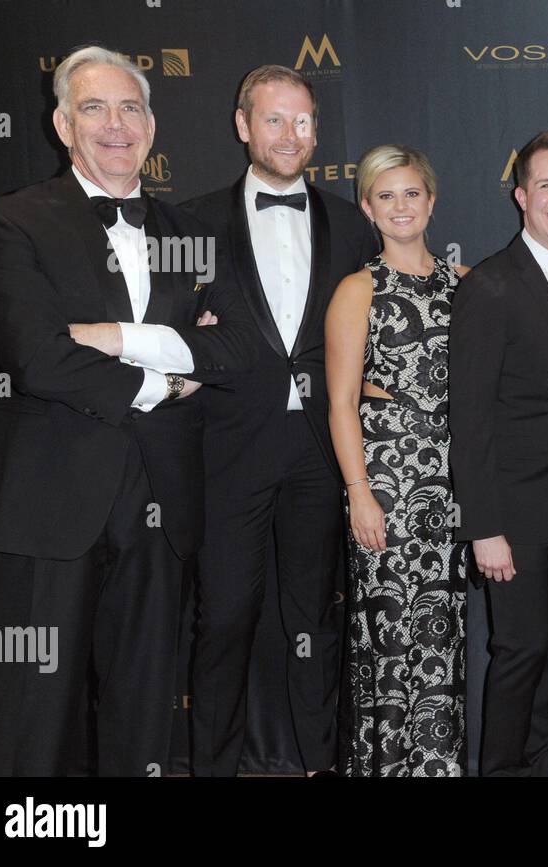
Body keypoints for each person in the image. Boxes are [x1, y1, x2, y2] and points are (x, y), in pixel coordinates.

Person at [0, 45, 253, 775]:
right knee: (33, 719)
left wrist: (126, 339)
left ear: (153, 125)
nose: (115, 124)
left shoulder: (189, 231)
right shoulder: (11, 223)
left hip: (160, 501)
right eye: (94, 107)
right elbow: (35, 357)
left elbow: (243, 348)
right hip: (51, 505)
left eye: (131, 107)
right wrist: (166, 374)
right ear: (63, 124)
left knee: (143, 709)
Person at [179, 65, 379, 776]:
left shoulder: (355, 224)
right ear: (242, 126)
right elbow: (162, 330)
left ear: (317, 132)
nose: (290, 135)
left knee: (315, 620)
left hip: (321, 452)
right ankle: (214, 765)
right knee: (225, 617)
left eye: (302, 122)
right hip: (229, 448)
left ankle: (320, 762)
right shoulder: (192, 222)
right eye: (274, 119)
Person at [449, 131, 548, 776]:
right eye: (546, 185)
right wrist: (484, 527)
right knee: (517, 656)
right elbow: (470, 418)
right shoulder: (489, 285)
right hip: (513, 514)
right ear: (520, 197)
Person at [325, 145, 467, 776]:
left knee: (443, 634)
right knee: (388, 640)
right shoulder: (359, 289)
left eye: (412, 193)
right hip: (385, 481)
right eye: (386, 196)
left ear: (432, 201)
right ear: (367, 208)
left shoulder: (467, 285)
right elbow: (339, 403)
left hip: (451, 482)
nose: (401, 206)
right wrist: (359, 492)